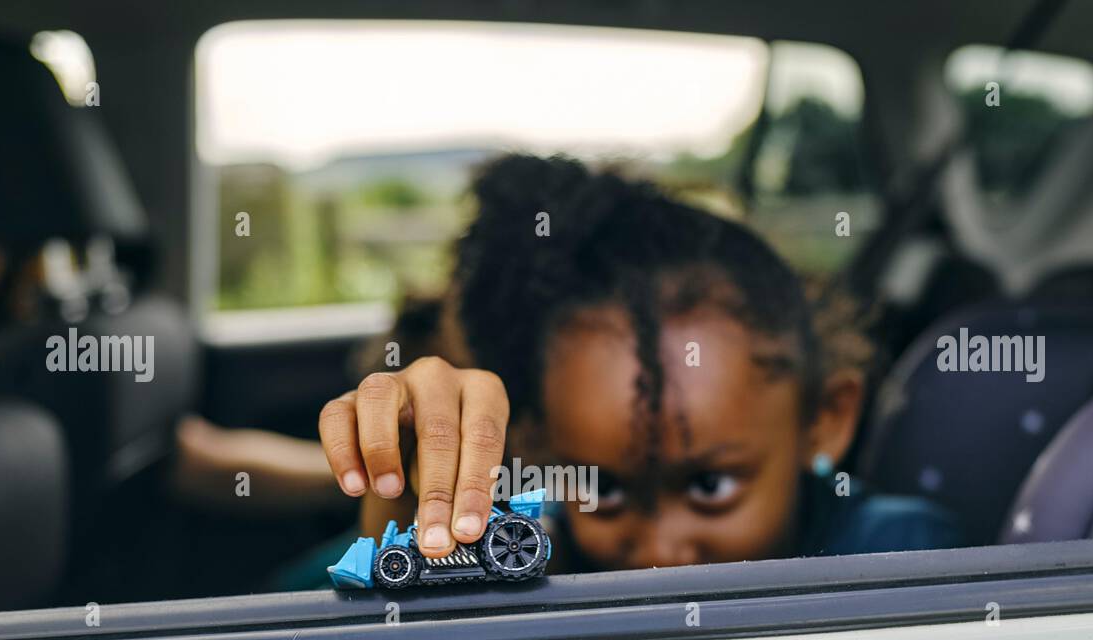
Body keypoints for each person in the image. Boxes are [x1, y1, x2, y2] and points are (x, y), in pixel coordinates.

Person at [311, 153, 963, 583]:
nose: (658, 555)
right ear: (541, 449)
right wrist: (405, 487)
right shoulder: (545, 544)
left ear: (825, 419)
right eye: (607, 493)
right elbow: (423, 603)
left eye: (710, 487)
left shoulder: (899, 550)